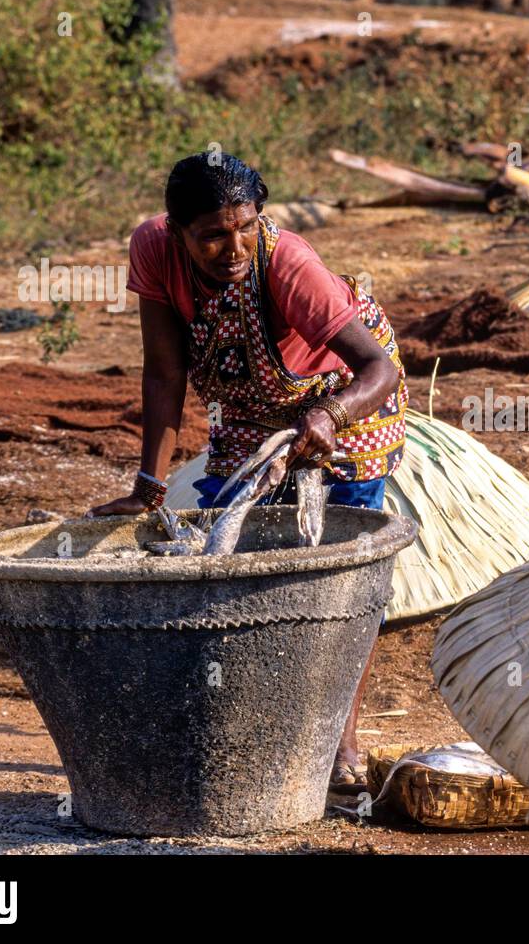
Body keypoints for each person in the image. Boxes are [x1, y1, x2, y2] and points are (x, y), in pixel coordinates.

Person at [87, 152, 408, 792]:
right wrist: (148, 489)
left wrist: (328, 415)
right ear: (178, 231)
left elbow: (379, 370)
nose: (233, 247)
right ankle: (251, 723)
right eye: (211, 234)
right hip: (249, 404)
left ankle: (338, 740)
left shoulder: (288, 266)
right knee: (232, 551)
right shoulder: (152, 249)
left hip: (345, 397)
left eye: (245, 227)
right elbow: (164, 371)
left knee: (339, 567)